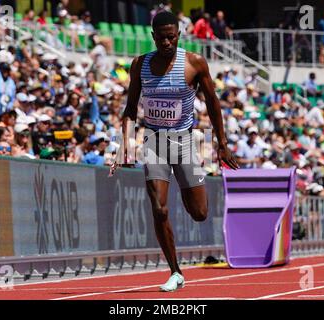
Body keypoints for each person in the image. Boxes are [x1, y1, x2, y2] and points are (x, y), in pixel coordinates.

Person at [110, 11, 239, 292]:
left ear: (178, 36)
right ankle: (175, 271)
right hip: (154, 141)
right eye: (161, 38)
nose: (166, 42)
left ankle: (185, 185)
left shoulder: (194, 63)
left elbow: (214, 104)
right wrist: (122, 145)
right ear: (153, 37)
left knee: (200, 212)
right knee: (159, 208)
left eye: (171, 37)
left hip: (186, 141)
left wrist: (222, 144)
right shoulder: (140, 65)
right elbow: (130, 110)